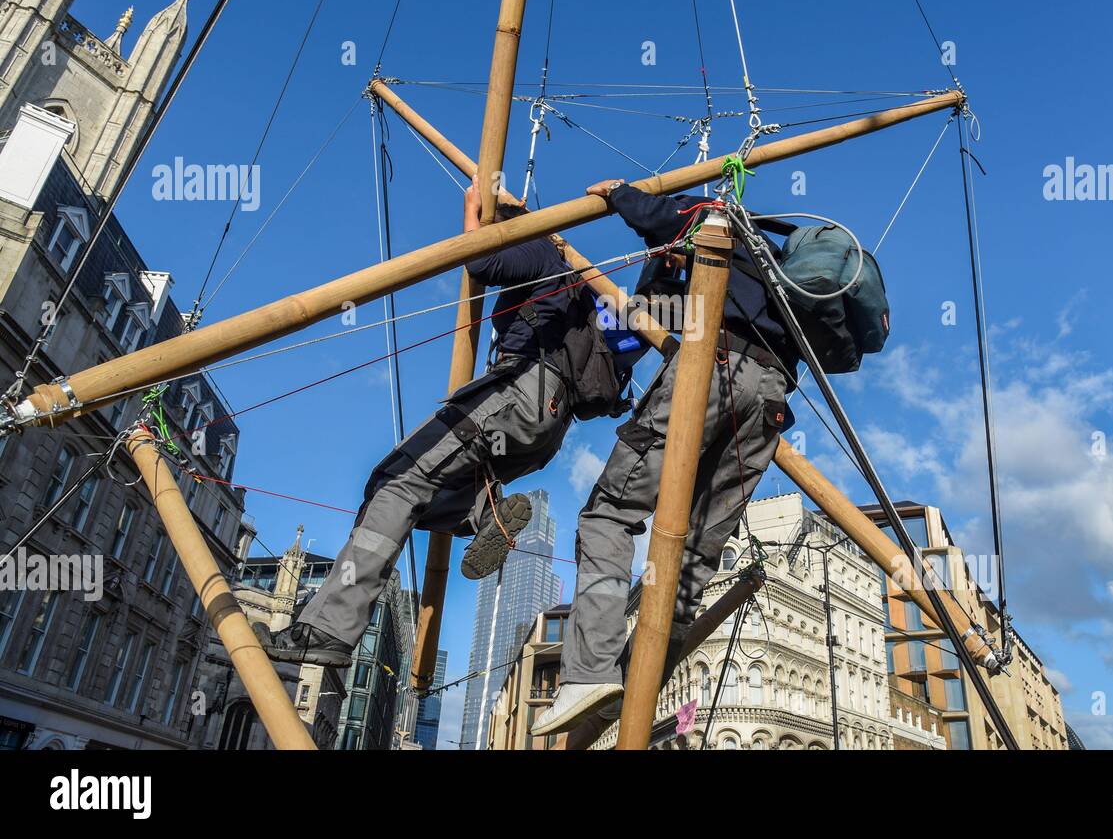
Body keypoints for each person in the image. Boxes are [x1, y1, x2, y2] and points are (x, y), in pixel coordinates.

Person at [259, 176, 594, 669]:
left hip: (516, 395)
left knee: (396, 481)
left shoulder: (538, 251)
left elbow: (480, 259)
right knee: (422, 495)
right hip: (542, 426)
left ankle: (328, 628)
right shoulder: (574, 286)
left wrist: (472, 211)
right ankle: (485, 513)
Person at [531, 178, 799, 735]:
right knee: (696, 555)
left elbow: (663, 220)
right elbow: (662, 309)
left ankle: (588, 675)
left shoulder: (722, 228)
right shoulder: (783, 276)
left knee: (609, 513)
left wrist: (619, 194)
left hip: (713, 365)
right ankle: (638, 678)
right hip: (773, 400)